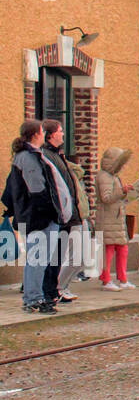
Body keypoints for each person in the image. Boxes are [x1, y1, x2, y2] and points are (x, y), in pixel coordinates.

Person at [2, 120, 69, 313]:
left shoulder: (33, 155)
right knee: (37, 259)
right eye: (41, 131)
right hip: (38, 218)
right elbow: (37, 189)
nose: (43, 134)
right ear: (36, 134)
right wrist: (50, 211)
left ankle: (35, 296)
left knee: (40, 258)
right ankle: (33, 298)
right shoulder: (28, 157)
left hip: (42, 217)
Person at [40, 120, 87, 304]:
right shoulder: (46, 156)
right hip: (62, 216)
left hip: (71, 215)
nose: (63, 134)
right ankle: (52, 290)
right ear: (50, 134)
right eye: (60, 131)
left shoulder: (57, 155)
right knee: (57, 256)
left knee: (71, 256)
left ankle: (55, 289)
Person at [95, 146, 137, 292]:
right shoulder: (103, 176)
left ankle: (122, 278)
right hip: (107, 217)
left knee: (122, 248)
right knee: (108, 249)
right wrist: (121, 191)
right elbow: (106, 198)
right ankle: (106, 279)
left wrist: (124, 192)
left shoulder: (112, 176)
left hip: (115, 217)